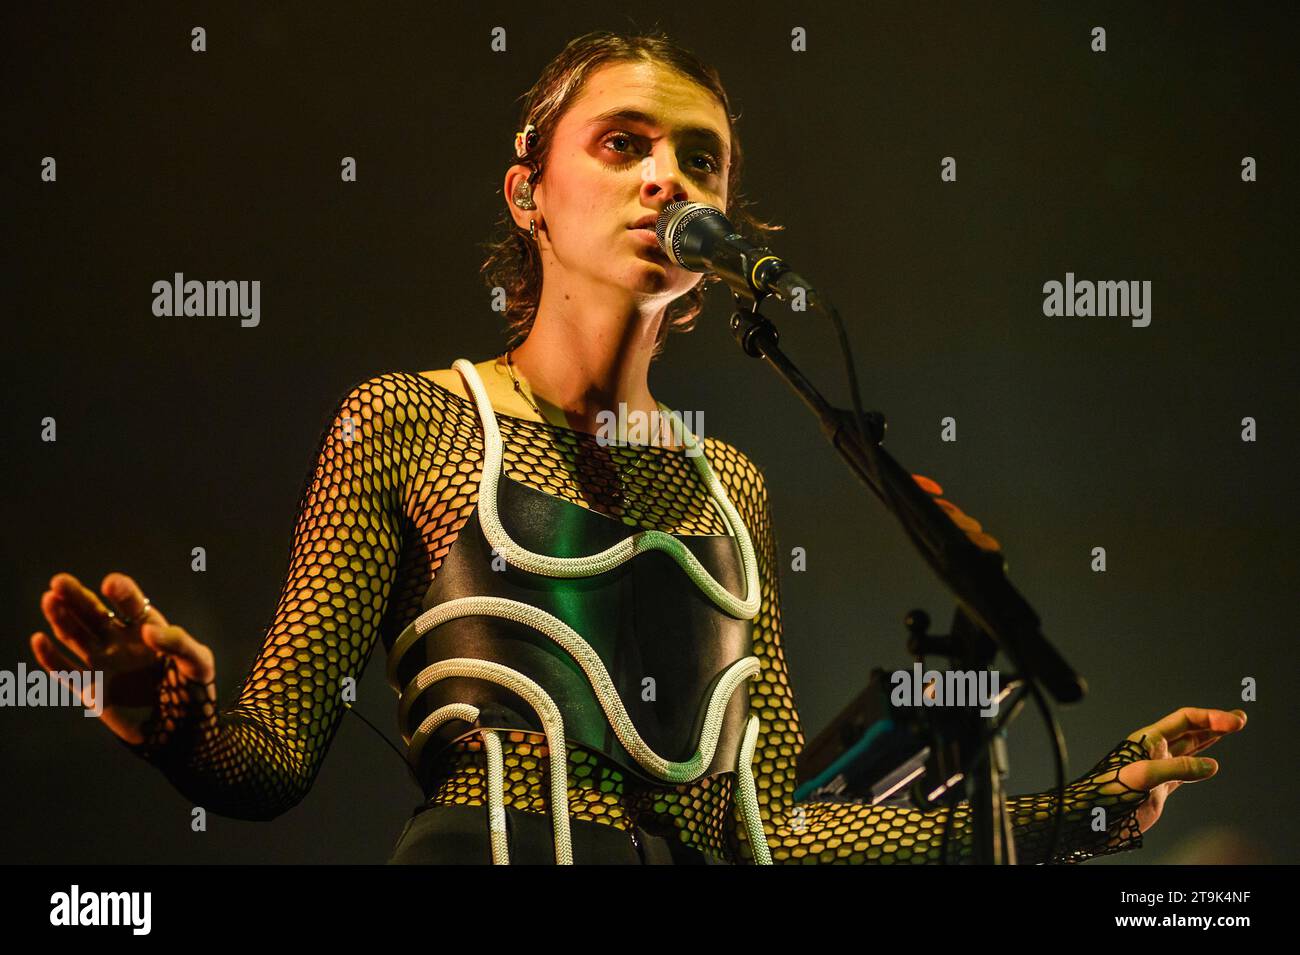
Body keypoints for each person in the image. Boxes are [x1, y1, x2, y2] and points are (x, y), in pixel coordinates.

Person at [29, 31, 1247, 865]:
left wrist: (1082, 815)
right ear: (528, 195)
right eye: (623, 143)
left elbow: (769, 834)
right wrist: (178, 723)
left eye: (698, 156)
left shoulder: (734, 488)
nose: (667, 176)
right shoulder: (406, 417)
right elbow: (271, 760)